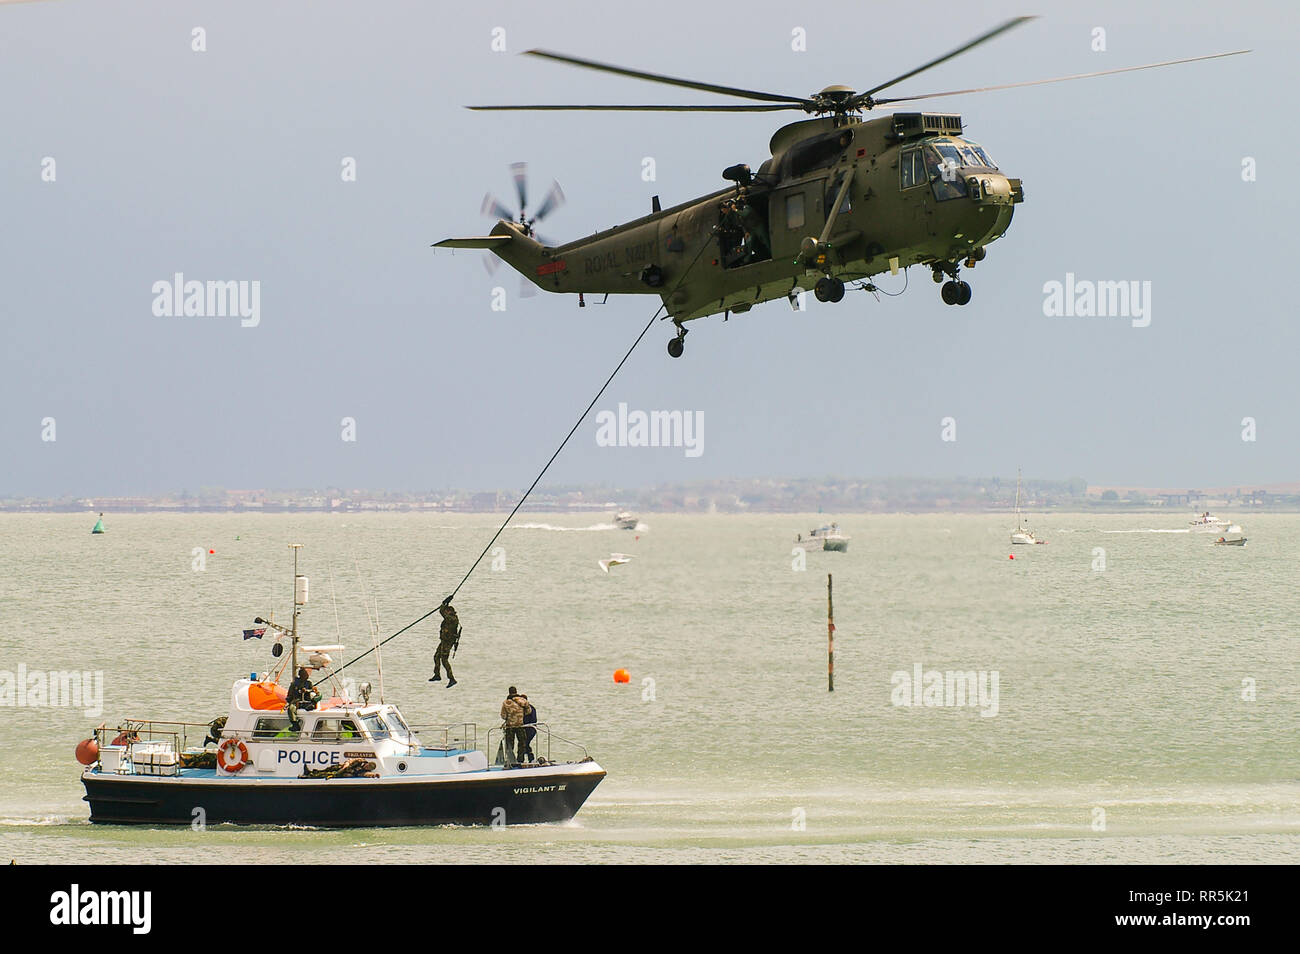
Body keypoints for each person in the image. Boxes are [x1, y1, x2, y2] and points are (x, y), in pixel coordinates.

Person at [429, 596, 460, 688]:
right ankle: (437, 675)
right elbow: (443, 611)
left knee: (444, 660)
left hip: (448, 642)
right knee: (436, 656)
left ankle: (452, 679)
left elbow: (442, 612)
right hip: (444, 641)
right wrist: (446, 603)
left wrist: (443, 604)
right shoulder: (449, 617)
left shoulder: (452, 619)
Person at [500, 686, 533, 768]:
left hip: (510, 726)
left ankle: (510, 760)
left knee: (510, 744)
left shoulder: (506, 702)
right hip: (520, 725)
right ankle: (520, 760)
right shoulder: (523, 701)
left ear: (509, 692)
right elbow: (529, 711)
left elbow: (503, 716)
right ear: (516, 691)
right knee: (522, 743)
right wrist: (520, 715)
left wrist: (510, 716)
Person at [521, 694, 538, 763]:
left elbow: (534, 719)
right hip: (524, 729)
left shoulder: (531, 708)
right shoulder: (520, 709)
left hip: (530, 729)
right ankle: (530, 758)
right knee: (525, 744)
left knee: (525, 743)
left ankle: (530, 758)